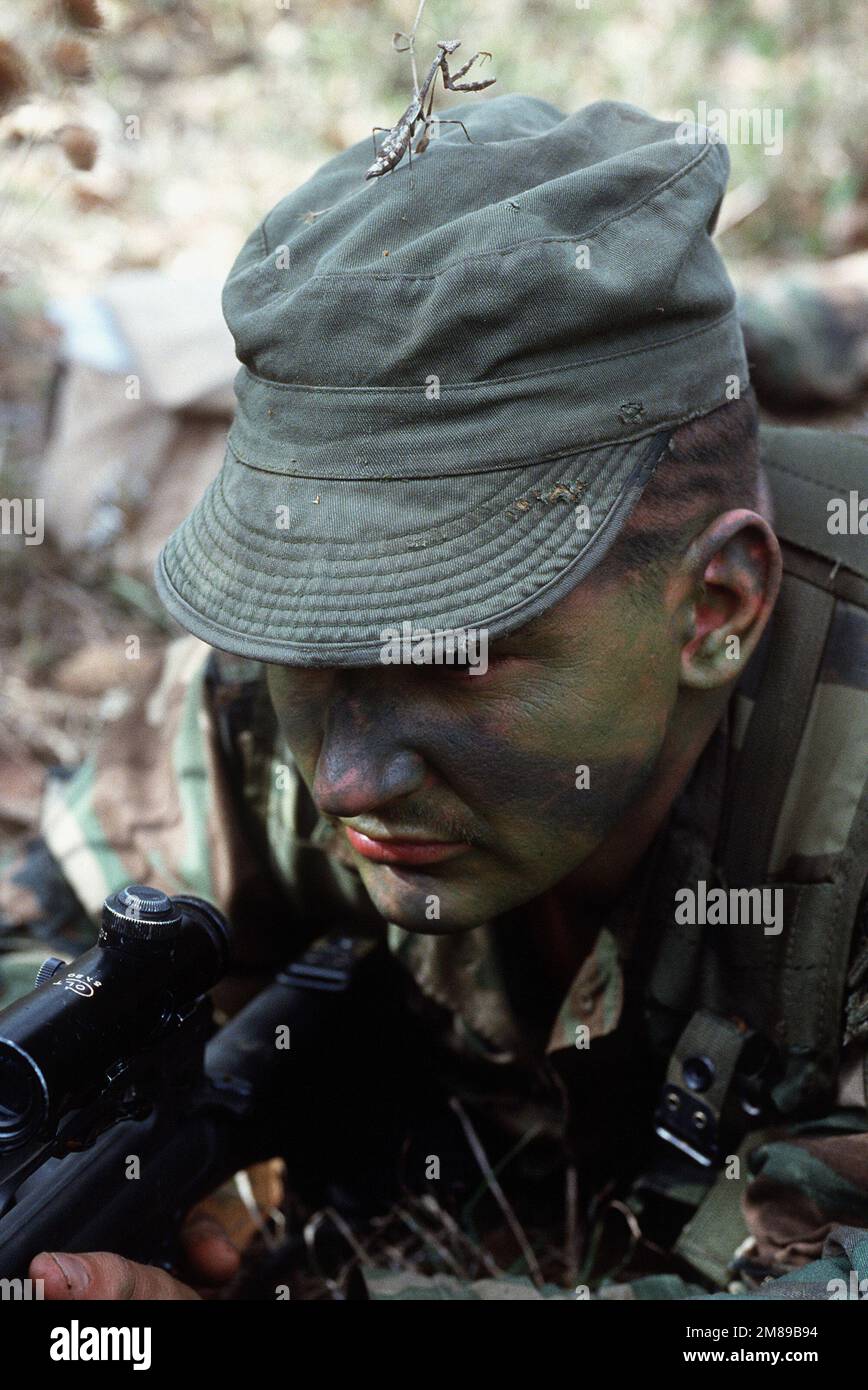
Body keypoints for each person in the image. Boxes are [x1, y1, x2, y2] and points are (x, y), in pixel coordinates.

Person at [2, 94, 867, 1301]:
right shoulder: (271, 685)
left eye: (453, 655)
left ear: (714, 606)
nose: (347, 776)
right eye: (309, 641)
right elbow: (47, 938)